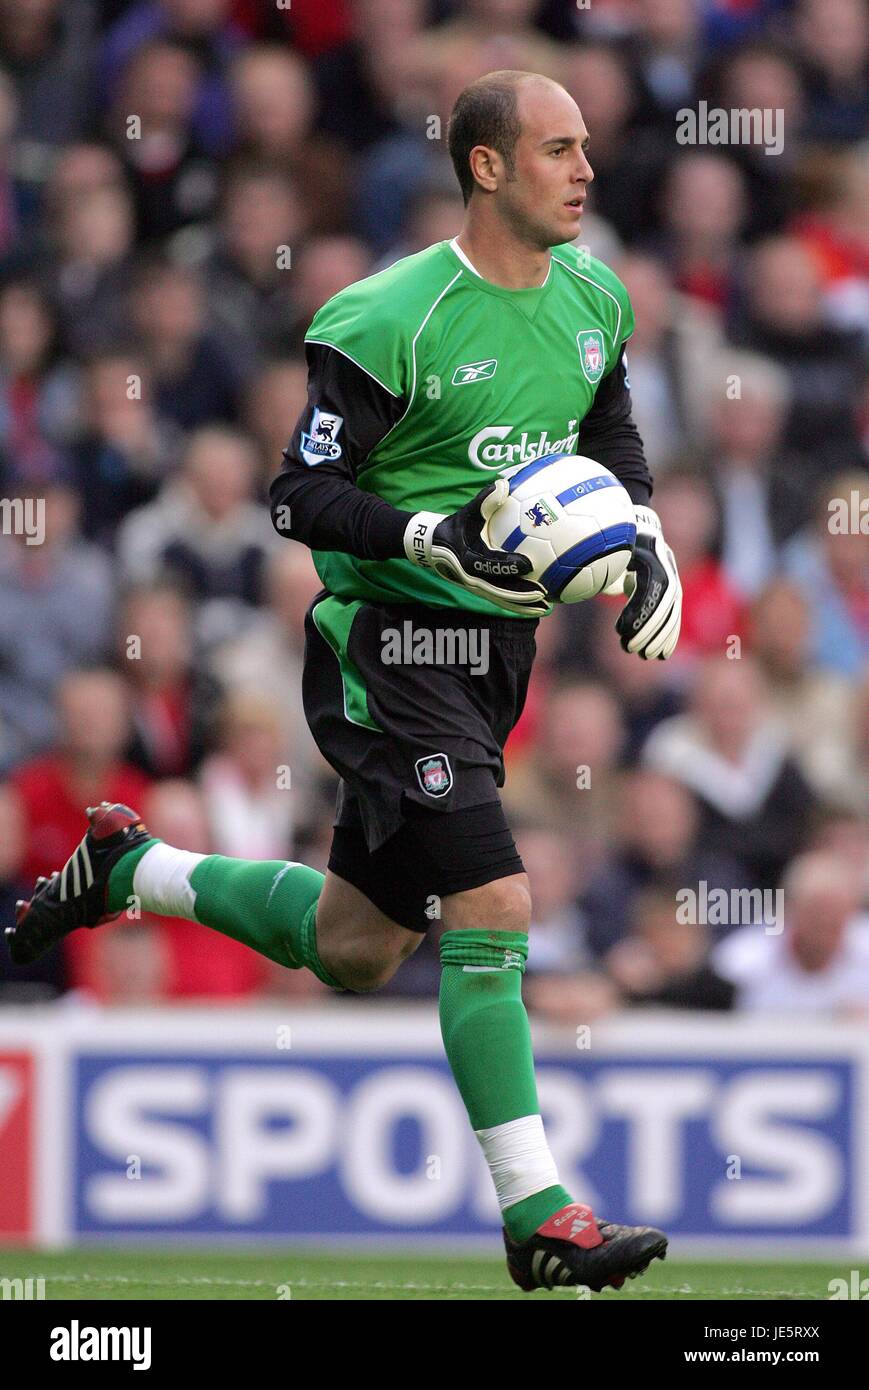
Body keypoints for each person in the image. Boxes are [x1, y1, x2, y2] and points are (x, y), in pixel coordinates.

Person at [7, 69, 681, 1294]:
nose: (587, 169)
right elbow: (295, 494)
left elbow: (608, 437)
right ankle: (536, 1210)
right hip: (388, 643)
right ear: (485, 167)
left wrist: (645, 540)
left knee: (358, 944)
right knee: (492, 910)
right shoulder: (388, 317)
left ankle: (130, 868)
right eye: (558, 149)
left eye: (585, 148)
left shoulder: (596, 297)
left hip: (495, 656)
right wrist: (424, 540)